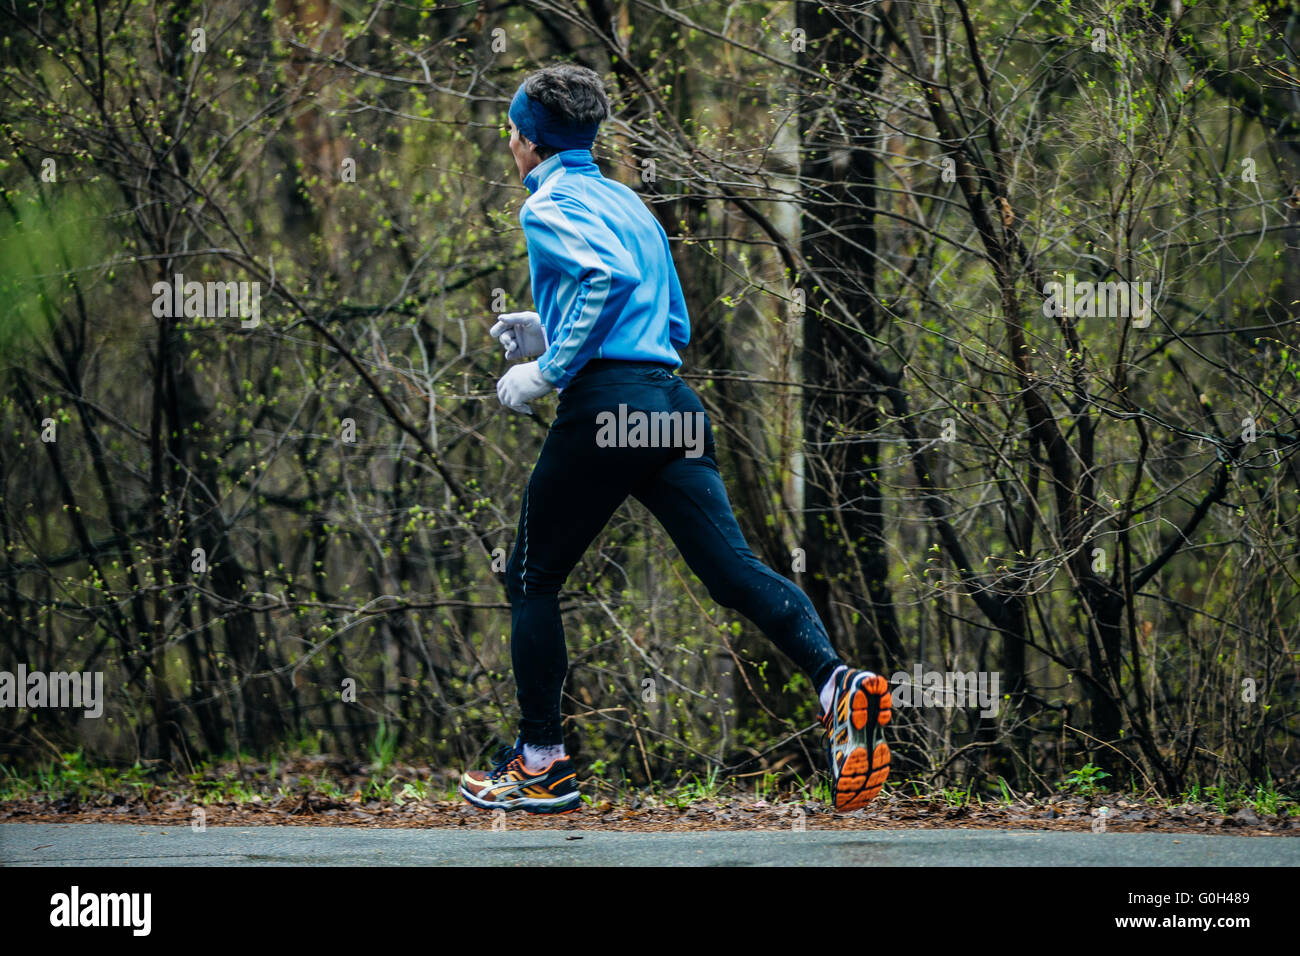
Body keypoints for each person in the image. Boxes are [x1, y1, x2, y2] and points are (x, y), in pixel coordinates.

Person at [459, 64, 891, 815]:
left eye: (510, 130)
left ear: (526, 140)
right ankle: (835, 682)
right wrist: (549, 326)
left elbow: (604, 279)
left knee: (532, 579)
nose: (509, 142)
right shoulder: (628, 200)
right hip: (670, 405)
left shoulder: (547, 202)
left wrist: (546, 369)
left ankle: (541, 764)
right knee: (731, 571)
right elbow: (668, 320)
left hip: (605, 409)